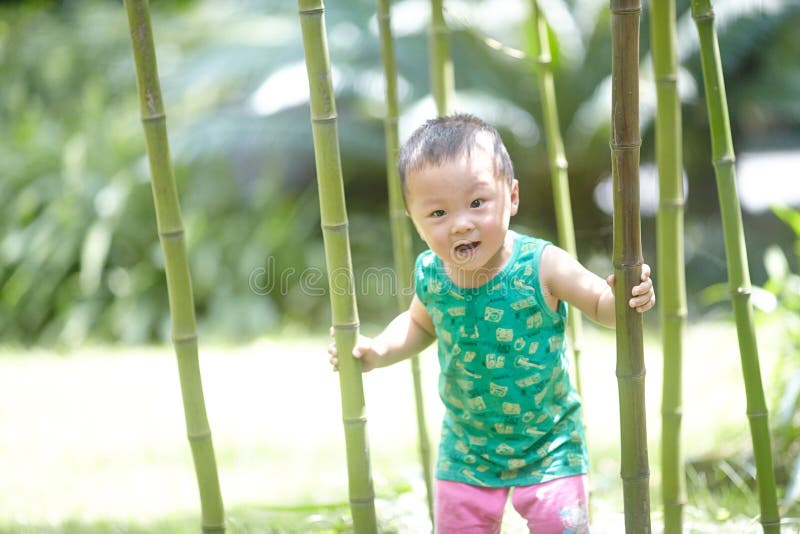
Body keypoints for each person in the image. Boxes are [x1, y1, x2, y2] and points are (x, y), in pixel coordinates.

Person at [328, 114, 655, 533]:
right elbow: (419, 324)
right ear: (415, 220)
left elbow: (599, 303)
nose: (461, 222)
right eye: (439, 212)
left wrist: (626, 296)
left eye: (477, 203)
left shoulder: (542, 264)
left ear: (512, 197)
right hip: (467, 449)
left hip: (548, 444)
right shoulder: (431, 273)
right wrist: (379, 351)